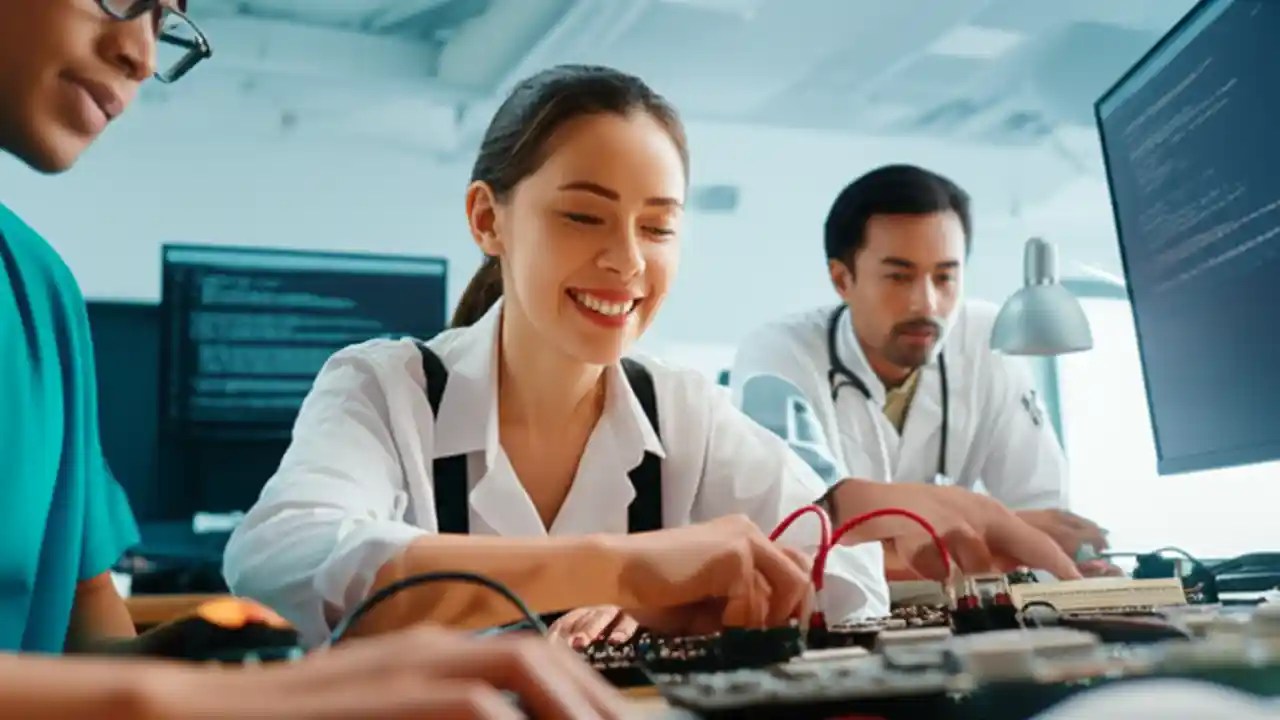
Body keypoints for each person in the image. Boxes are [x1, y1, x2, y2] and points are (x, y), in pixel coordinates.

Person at [223, 66, 1082, 649]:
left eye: (659, 225)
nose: (629, 261)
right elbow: (283, 559)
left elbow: (841, 573)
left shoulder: (680, 409)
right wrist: (617, 566)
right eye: (584, 216)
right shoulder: (384, 387)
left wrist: (717, 602)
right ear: (489, 219)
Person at [0, 2, 628, 717]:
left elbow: (86, 651)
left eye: (166, 22)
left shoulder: (38, 290)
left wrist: (323, 669)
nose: (142, 55)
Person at [729, 164, 1114, 579]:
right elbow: (795, 526)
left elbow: (1046, 517)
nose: (927, 304)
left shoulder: (987, 339)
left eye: (946, 277)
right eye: (899, 277)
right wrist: (991, 529)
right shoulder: (779, 354)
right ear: (842, 279)